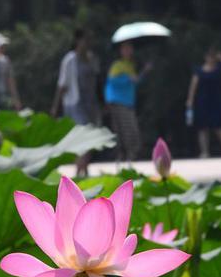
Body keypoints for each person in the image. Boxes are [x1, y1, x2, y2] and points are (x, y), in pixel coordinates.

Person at [51, 28, 102, 177]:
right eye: (85, 39)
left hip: (91, 104)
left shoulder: (93, 59)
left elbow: (98, 81)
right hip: (75, 104)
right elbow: (62, 85)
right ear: (77, 41)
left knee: (93, 138)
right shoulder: (69, 60)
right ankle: (80, 171)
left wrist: (102, 102)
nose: (87, 43)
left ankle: (83, 169)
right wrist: (55, 107)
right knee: (82, 137)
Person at [104, 41, 151, 165]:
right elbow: (111, 82)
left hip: (128, 102)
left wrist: (145, 71)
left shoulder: (131, 65)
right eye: (125, 48)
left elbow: (135, 81)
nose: (128, 51)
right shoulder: (117, 65)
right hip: (117, 102)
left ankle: (130, 156)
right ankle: (123, 155)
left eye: (130, 48)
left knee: (129, 130)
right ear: (121, 51)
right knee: (125, 130)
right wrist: (126, 79)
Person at [186, 47, 221, 158]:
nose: (211, 59)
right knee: (202, 128)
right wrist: (190, 100)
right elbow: (193, 86)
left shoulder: (219, 68)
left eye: (213, 57)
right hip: (202, 101)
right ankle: (204, 152)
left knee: (220, 127)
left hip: (216, 100)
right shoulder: (199, 70)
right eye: (209, 56)